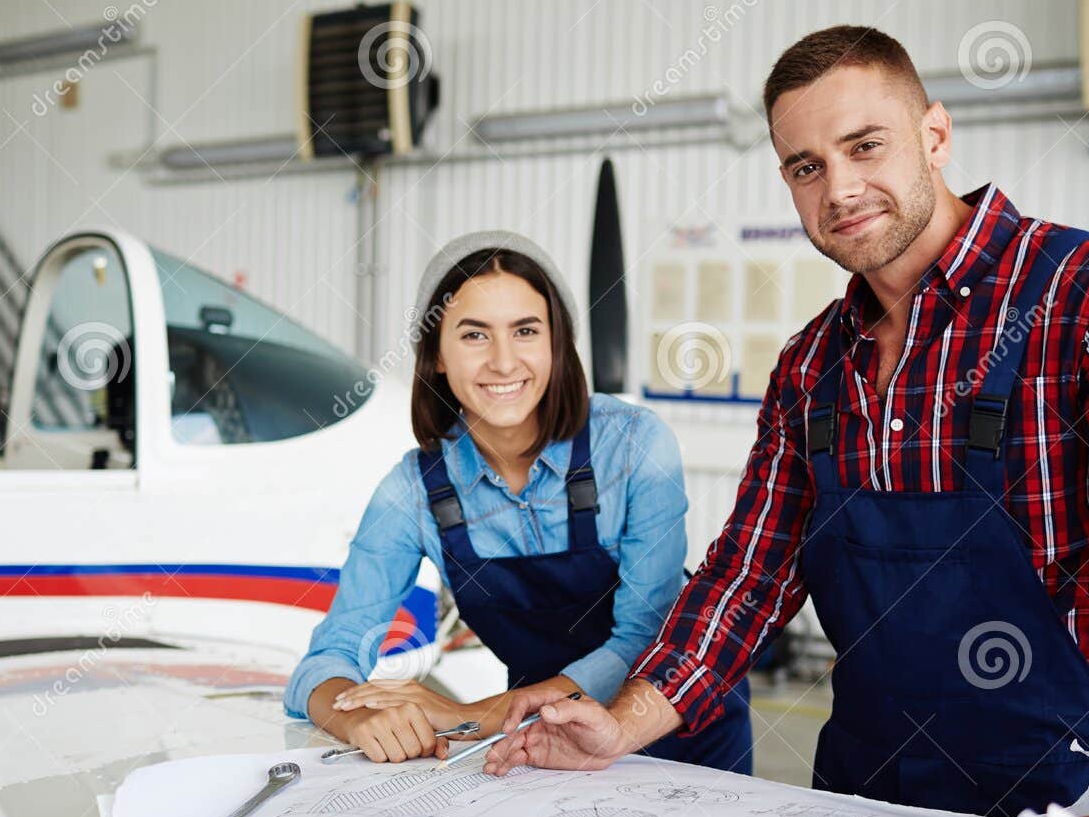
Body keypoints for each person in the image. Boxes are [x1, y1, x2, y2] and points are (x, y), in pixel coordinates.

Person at [482, 26, 1089, 817]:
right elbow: (748, 578)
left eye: (864, 146)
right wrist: (621, 723)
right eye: (806, 166)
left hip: (1073, 802)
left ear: (935, 136)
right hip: (861, 803)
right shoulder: (811, 365)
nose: (839, 188)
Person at [284, 231, 752, 771]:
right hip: (539, 746)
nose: (503, 362)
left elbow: (643, 639)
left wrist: (475, 715)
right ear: (437, 355)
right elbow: (327, 659)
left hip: (679, 733)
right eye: (474, 335)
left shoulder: (634, 445)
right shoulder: (412, 491)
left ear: (556, 344)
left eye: (525, 331)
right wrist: (356, 717)